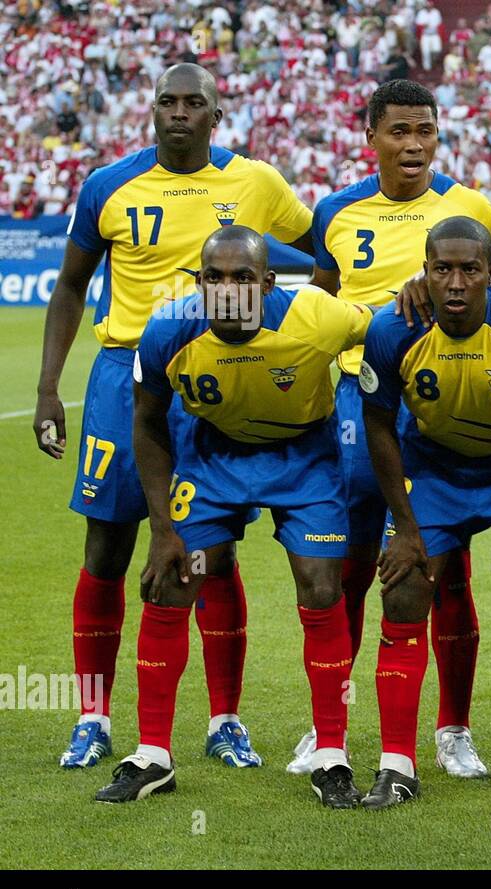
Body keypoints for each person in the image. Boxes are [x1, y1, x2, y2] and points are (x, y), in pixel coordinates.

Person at [34, 63, 314, 771]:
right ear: (151, 110)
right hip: (122, 379)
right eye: (169, 101)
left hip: (215, 377)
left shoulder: (255, 182)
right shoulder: (108, 186)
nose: (180, 112)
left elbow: (320, 251)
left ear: (217, 115)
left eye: (196, 103)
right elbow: (70, 285)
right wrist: (46, 390)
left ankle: (225, 720)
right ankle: (94, 716)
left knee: (211, 553)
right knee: (107, 545)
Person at [95, 227, 373, 808]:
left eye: (242, 277)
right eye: (214, 277)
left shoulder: (315, 315)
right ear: (198, 283)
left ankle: (331, 754)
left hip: (304, 461)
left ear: (267, 283)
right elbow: (147, 424)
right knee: (173, 582)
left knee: (323, 588)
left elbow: (384, 327)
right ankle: (153, 755)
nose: (228, 290)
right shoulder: (170, 330)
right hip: (213, 458)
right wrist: (162, 531)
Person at [302, 79, 491, 779]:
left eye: (425, 130)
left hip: (445, 399)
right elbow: (321, 305)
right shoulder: (335, 210)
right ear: (371, 134)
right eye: (399, 131)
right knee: (352, 567)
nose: (414, 144)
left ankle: (453, 729)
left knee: (443, 571)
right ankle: (327, 727)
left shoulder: (471, 206)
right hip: (362, 404)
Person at [360, 218, 491, 815]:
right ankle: (397, 766)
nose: (455, 283)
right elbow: (378, 425)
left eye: (469, 270)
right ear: (424, 271)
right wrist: (405, 530)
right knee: (402, 593)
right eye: (442, 269)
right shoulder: (393, 329)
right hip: (434, 471)